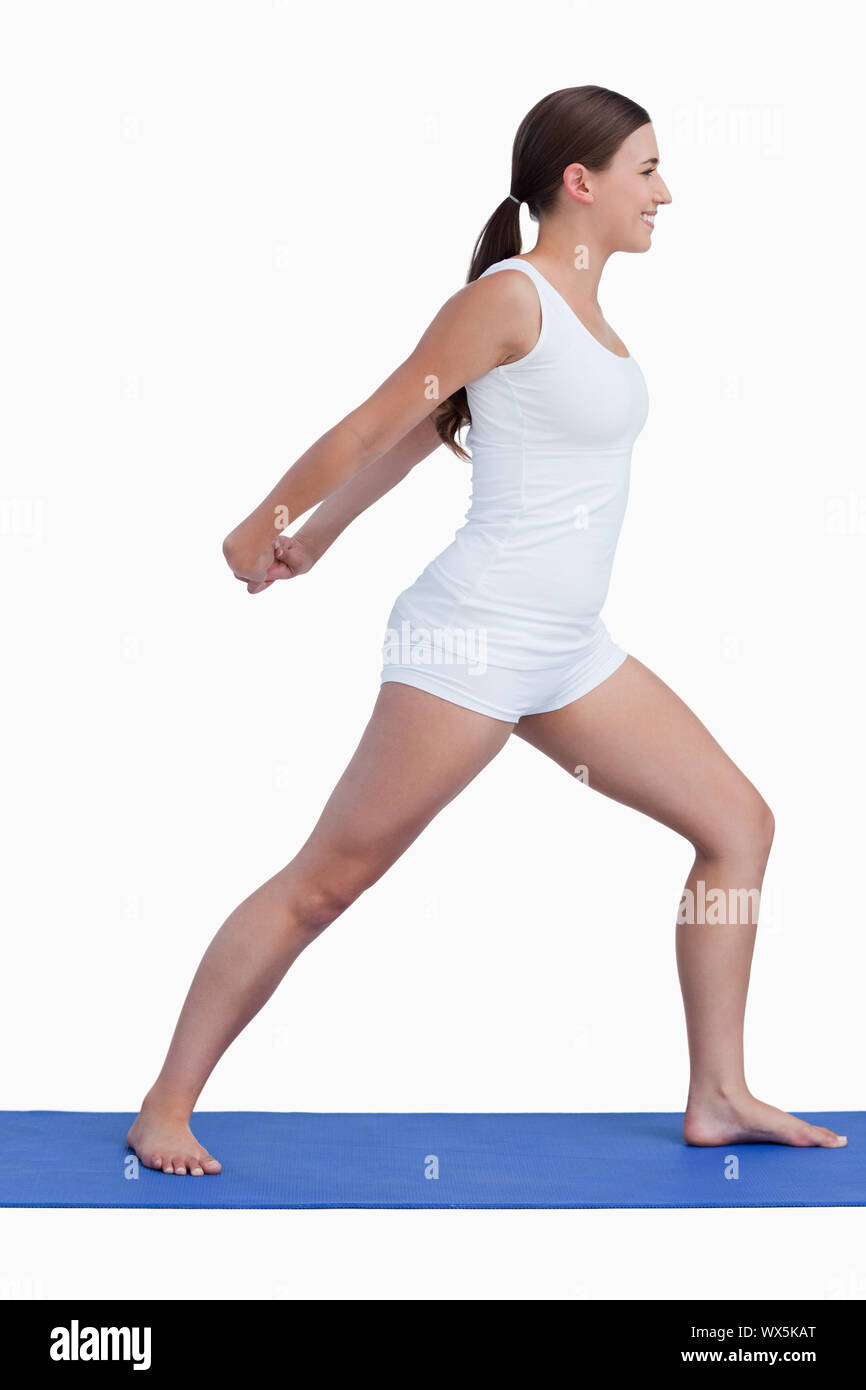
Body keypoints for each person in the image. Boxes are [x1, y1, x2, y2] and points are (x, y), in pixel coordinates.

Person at [127, 85, 846, 1176]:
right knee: (327, 881)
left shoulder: (582, 308)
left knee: (737, 826)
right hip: (472, 639)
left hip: (566, 648)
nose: (664, 192)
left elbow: (430, 432)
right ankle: (165, 1106)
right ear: (581, 181)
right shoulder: (510, 296)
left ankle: (715, 1090)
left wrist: (322, 538)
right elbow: (378, 416)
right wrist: (263, 525)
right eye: (646, 170)